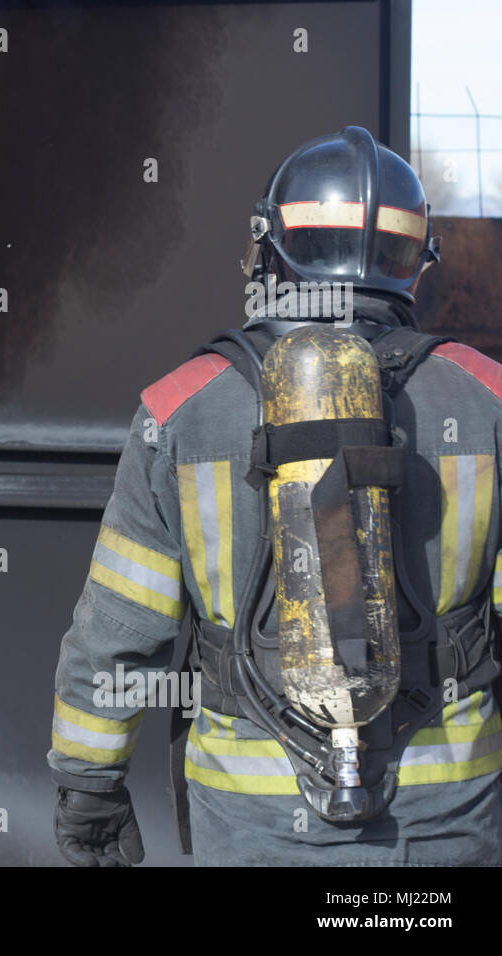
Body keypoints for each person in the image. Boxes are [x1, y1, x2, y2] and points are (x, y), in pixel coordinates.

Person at [48, 126, 502, 866]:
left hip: (253, 825)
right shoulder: (486, 399)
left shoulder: (182, 409)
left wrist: (88, 784)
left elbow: (120, 626)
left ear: (273, 248)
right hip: (444, 820)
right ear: (414, 262)